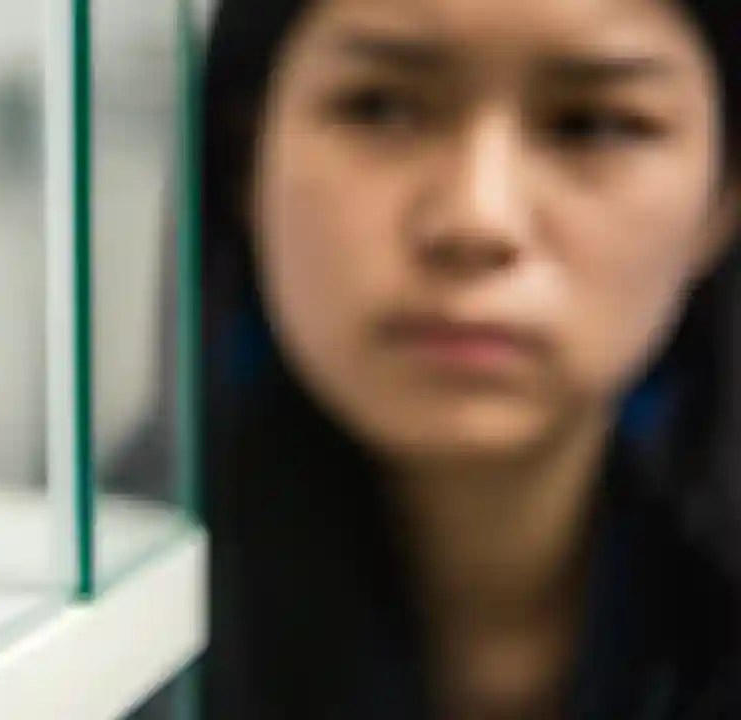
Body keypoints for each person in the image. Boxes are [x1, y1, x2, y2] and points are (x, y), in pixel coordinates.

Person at [199, 0, 741, 717]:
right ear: (246, 156)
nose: (476, 219)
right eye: (379, 107)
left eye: (593, 124)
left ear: (722, 196)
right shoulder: (94, 624)